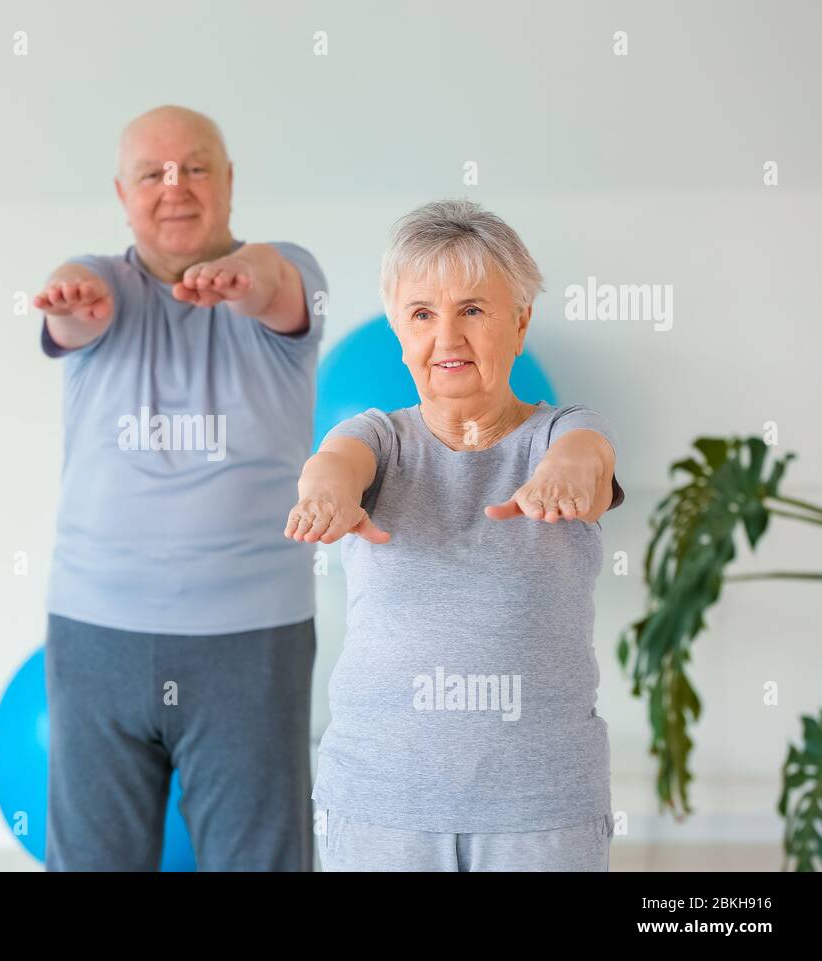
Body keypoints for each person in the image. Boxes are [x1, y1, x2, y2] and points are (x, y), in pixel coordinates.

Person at [287, 199, 623, 871]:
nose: (447, 337)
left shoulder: (562, 432)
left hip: (542, 808)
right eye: (422, 314)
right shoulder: (377, 435)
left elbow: (587, 458)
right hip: (381, 805)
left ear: (520, 321)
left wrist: (565, 477)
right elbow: (334, 462)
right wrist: (325, 489)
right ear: (399, 331)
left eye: (473, 309)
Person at [34, 105, 328, 870]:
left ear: (229, 181)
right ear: (122, 193)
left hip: (250, 635)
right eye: (152, 172)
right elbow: (74, 310)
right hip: (96, 631)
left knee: (259, 858)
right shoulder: (99, 283)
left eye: (196, 167)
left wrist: (244, 278)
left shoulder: (287, 269)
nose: (176, 186)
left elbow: (276, 282)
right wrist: (70, 297)